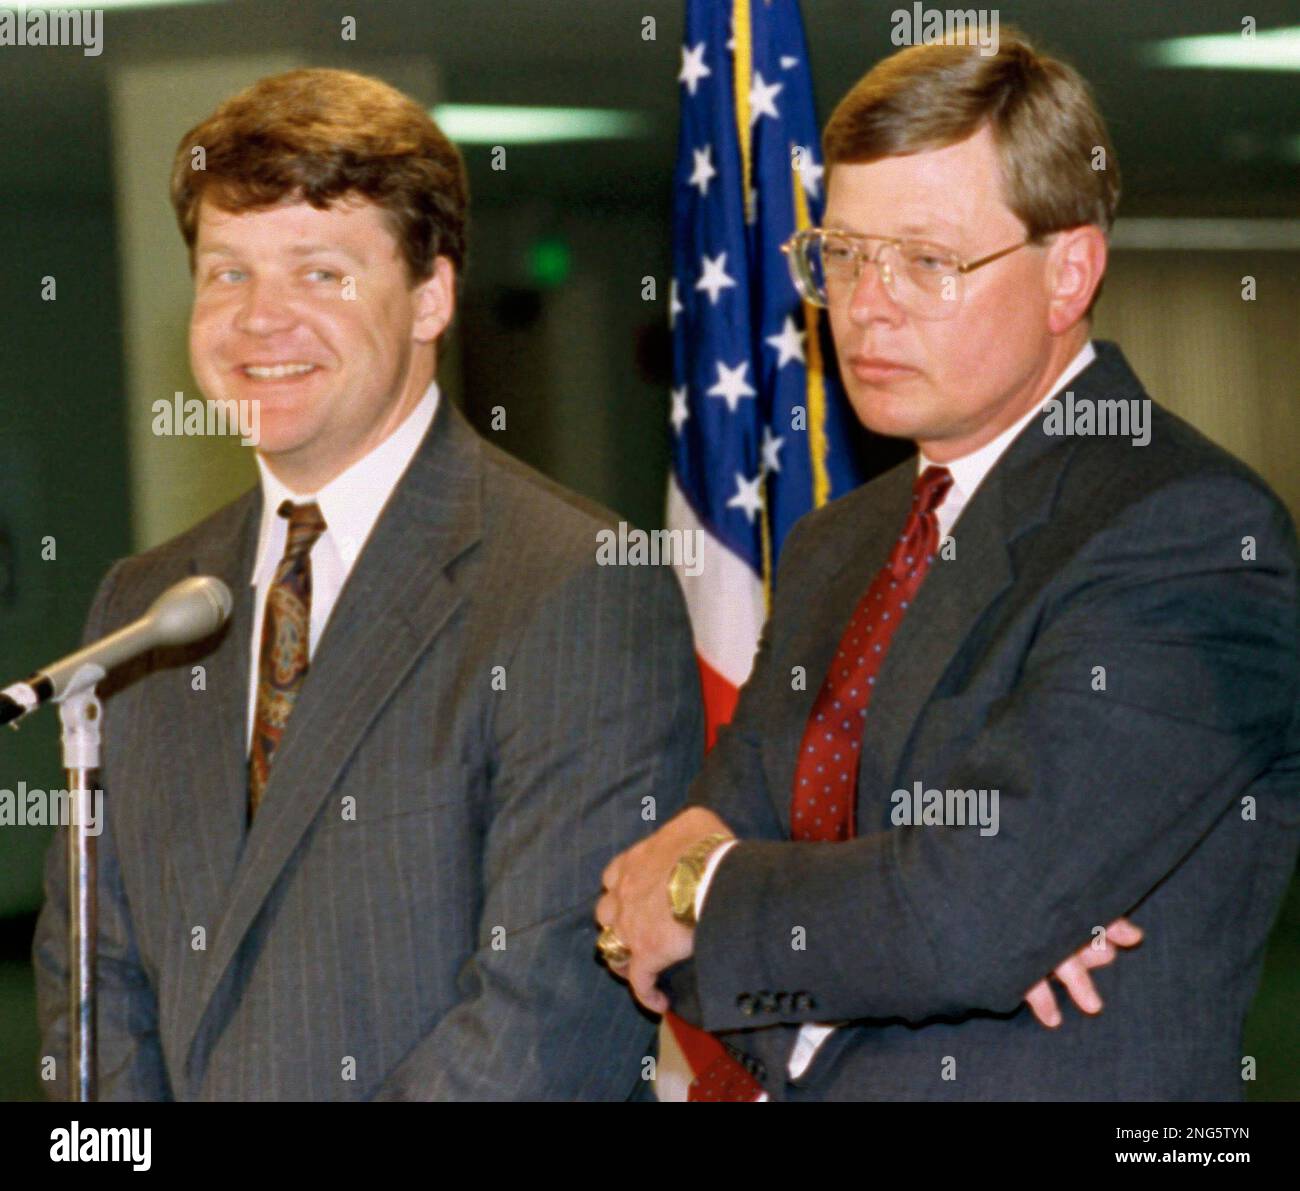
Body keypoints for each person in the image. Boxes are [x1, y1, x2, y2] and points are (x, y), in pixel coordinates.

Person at [598, 33, 1299, 1100]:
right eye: (840, 255)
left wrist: (737, 903)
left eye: (927, 261)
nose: (866, 306)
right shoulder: (841, 542)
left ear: (1069, 270)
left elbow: (966, 919)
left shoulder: (1186, 530)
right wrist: (875, 926)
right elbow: (681, 886)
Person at [34, 67, 702, 1101]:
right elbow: (93, 983)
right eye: (227, 273)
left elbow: (545, 1017)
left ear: (431, 293)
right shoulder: (145, 605)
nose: (261, 321)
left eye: (321, 274)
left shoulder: (574, 584)